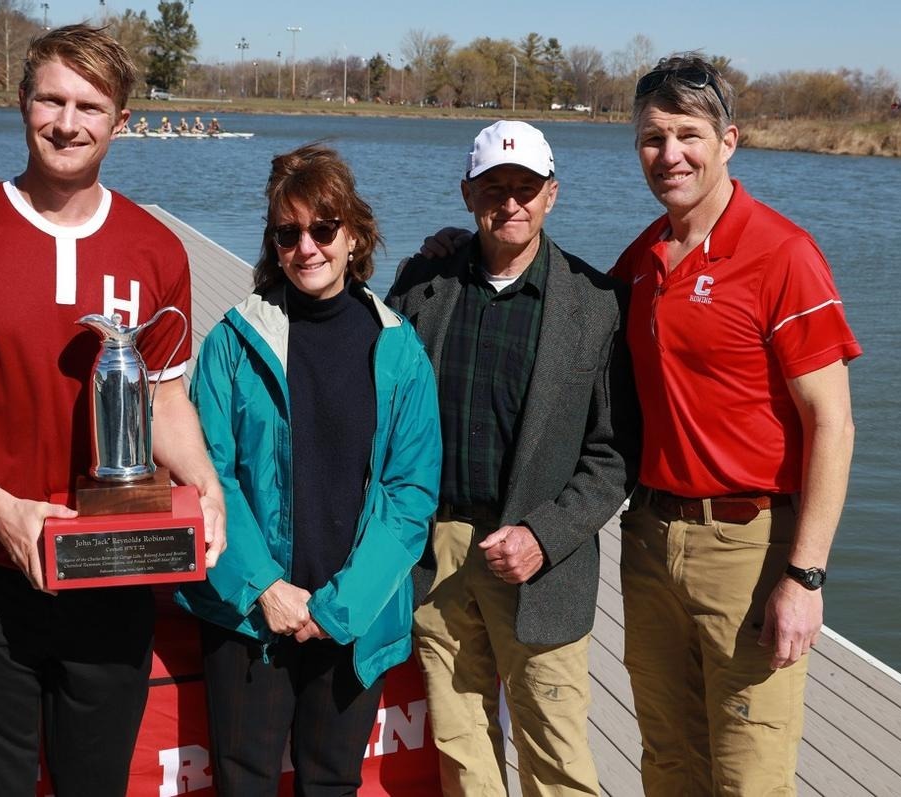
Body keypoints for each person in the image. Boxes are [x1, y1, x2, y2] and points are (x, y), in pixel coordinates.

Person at [0, 24, 226, 796]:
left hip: (114, 560)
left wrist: (205, 482)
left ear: (121, 121)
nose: (68, 123)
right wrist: (0, 510)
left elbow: (166, 396)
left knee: (95, 782)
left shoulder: (156, 248)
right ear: (22, 102)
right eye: (52, 100)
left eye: (90, 107)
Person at [614, 53, 861, 795]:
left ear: (728, 141)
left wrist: (805, 577)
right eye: (653, 138)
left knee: (748, 774)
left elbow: (833, 422)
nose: (670, 155)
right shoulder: (641, 259)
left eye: (689, 135)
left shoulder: (782, 253)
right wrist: (457, 250)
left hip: (748, 549)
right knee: (667, 759)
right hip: (649, 536)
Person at [178, 143, 441, 794]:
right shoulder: (232, 342)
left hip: (352, 615)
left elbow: (410, 494)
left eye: (323, 229)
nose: (307, 248)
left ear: (354, 235)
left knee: (330, 782)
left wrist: (338, 607)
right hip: (249, 614)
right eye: (287, 233)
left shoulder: (400, 350)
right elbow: (207, 473)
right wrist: (265, 586)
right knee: (243, 781)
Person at [387, 120, 638, 797]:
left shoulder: (599, 304)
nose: (511, 203)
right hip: (438, 551)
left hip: (539, 562)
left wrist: (543, 535)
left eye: (526, 187)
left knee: (555, 752)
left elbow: (614, 454)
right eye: (494, 187)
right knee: (460, 742)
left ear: (552, 194)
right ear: (467, 194)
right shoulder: (421, 285)